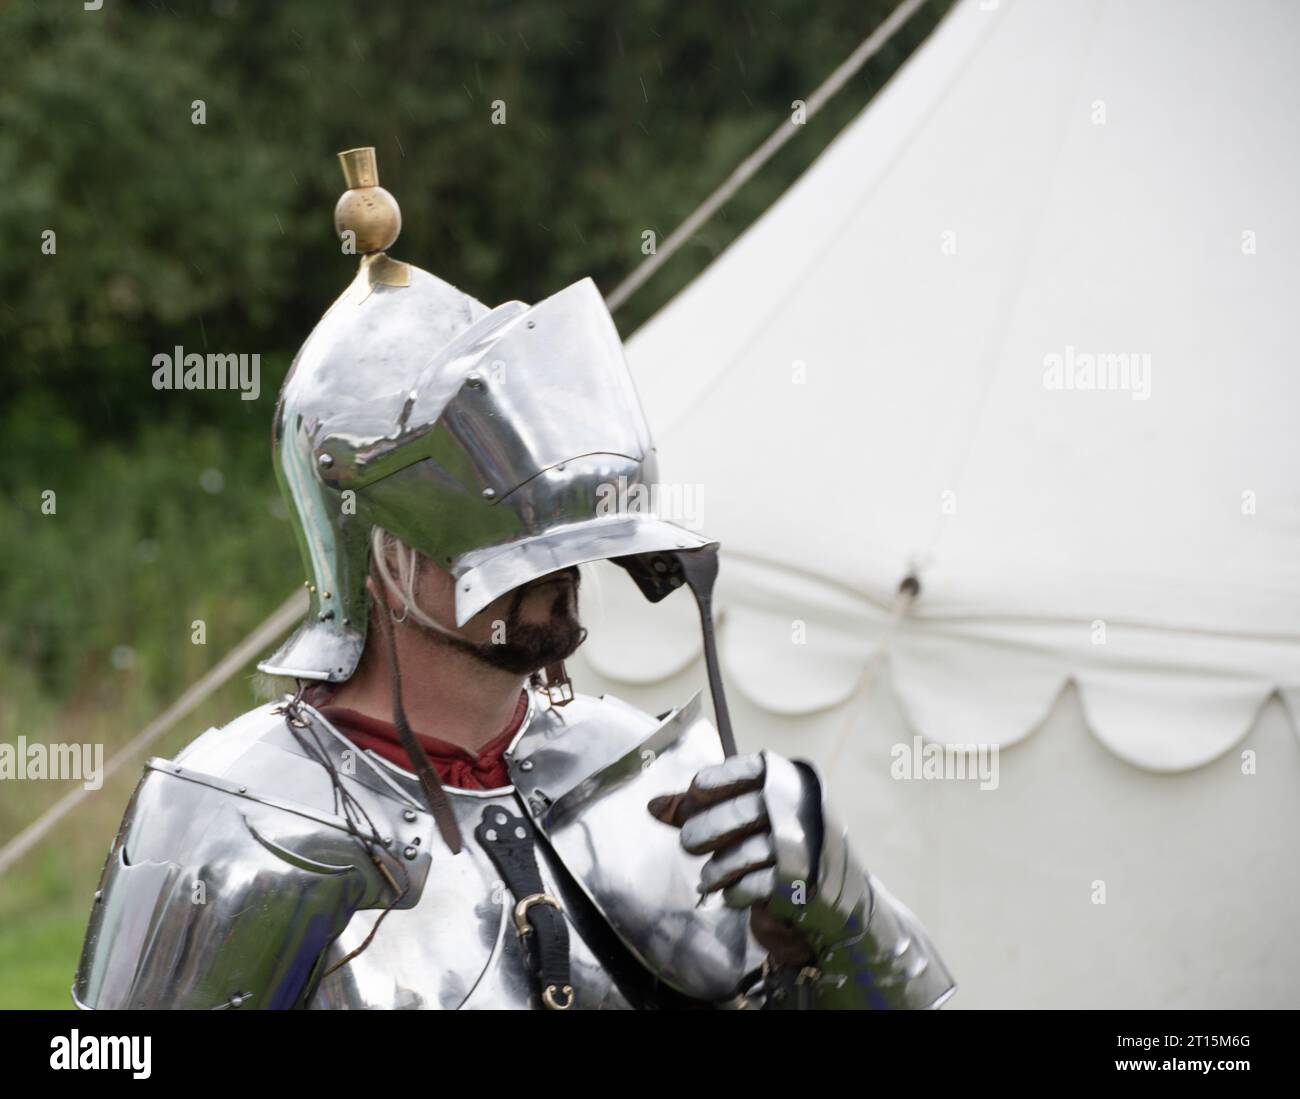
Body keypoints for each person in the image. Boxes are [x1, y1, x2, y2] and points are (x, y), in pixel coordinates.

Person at [74, 149, 955, 1010]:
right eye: (509, 543)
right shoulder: (234, 820)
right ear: (382, 552)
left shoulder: (642, 775)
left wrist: (847, 922)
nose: (564, 568)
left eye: (567, 541)